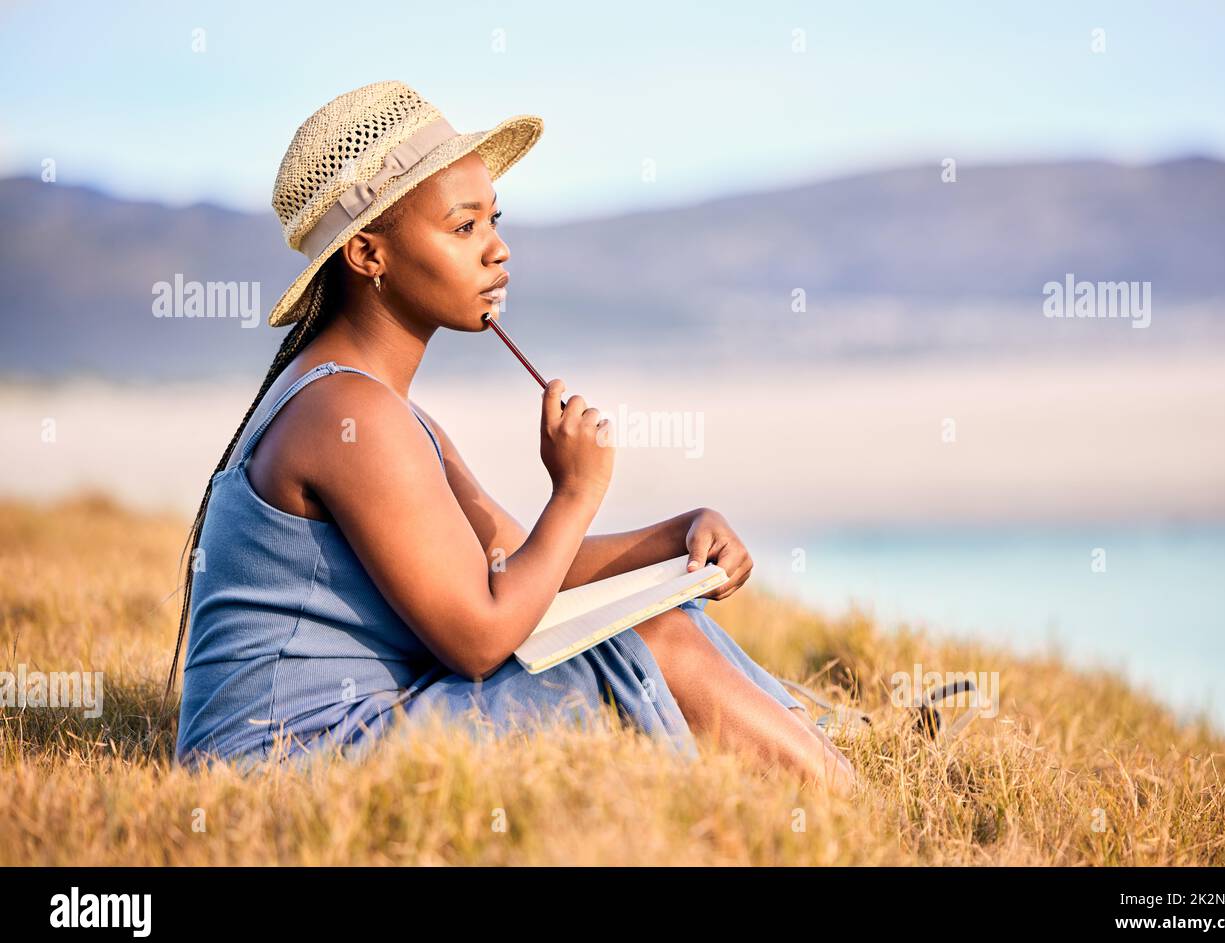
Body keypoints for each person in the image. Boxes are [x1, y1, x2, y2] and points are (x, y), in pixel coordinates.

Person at [168, 80, 858, 796]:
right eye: (463, 227)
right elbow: (480, 637)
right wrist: (578, 491)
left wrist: (680, 537)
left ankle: (822, 764)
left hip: (341, 735)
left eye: (494, 220)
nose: (498, 251)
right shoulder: (349, 416)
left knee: (659, 616)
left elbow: (514, 565)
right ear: (369, 255)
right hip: (287, 769)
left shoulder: (377, 410)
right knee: (648, 643)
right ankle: (852, 810)